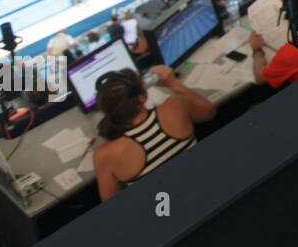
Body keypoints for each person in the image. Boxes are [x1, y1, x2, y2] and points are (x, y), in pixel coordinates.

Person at [92, 66, 216, 201]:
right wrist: (172, 83)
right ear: (141, 97)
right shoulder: (175, 106)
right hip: (208, 192)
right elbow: (208, 111)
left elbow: (112, 205)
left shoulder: (104, 155)